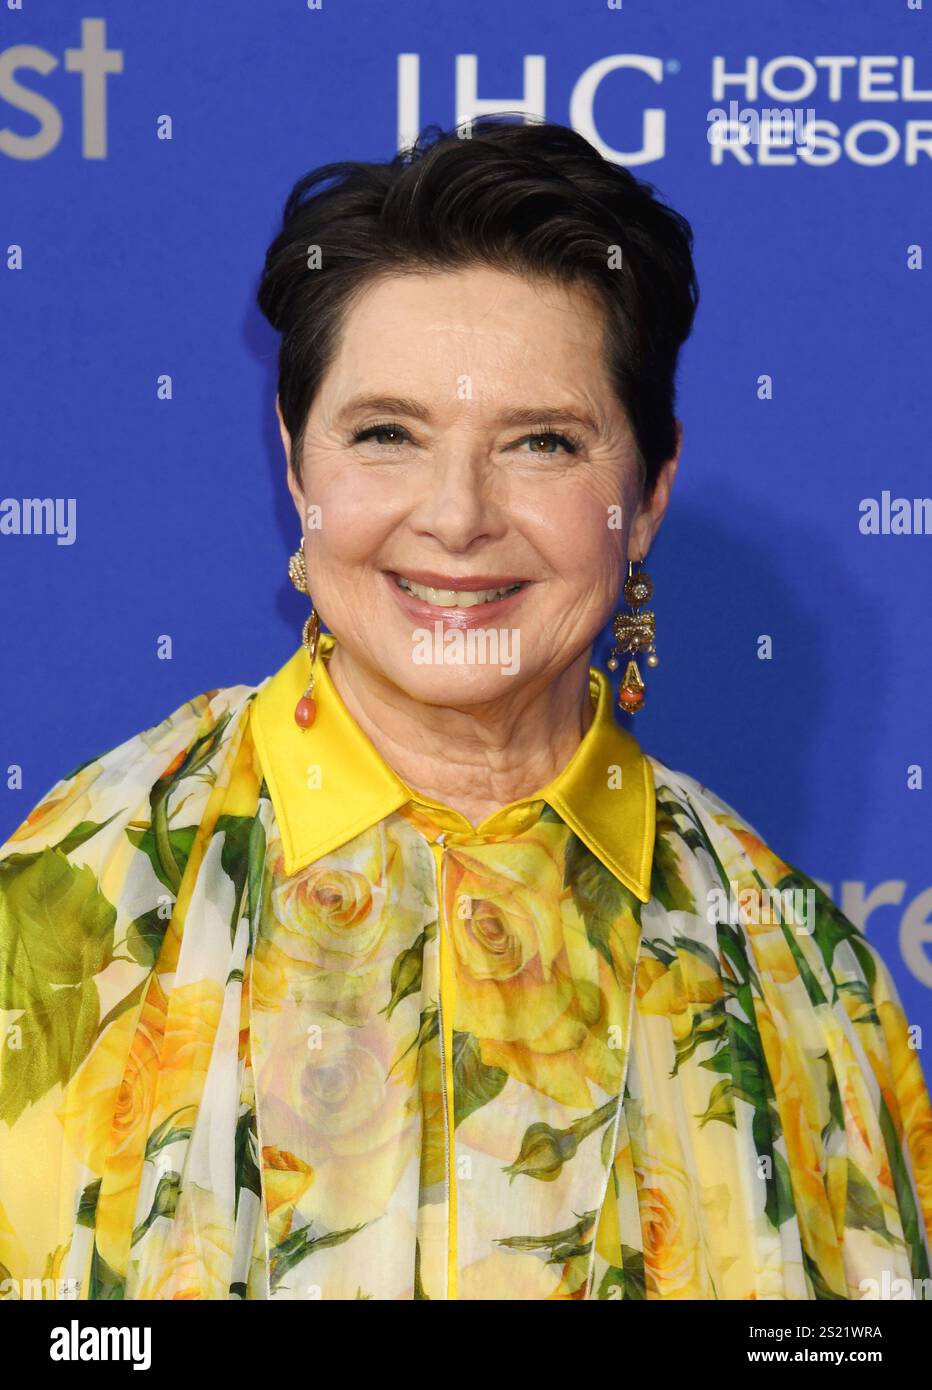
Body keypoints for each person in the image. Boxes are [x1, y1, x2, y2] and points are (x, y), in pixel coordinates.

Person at [1, 117, 929, 1302]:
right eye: (385, 434)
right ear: (297, 469)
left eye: (540, 442)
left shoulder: (802, 969)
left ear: (646, 493)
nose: (454, 515)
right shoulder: (73, 896)